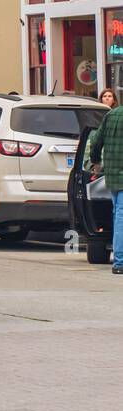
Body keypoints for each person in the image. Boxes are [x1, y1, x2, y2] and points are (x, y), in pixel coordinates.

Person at [89, 88, 123, 275]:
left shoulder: (111, 116)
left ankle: (119, 261)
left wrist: (96, 161)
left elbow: (96, 141)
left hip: (113, 175)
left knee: (119, 215)